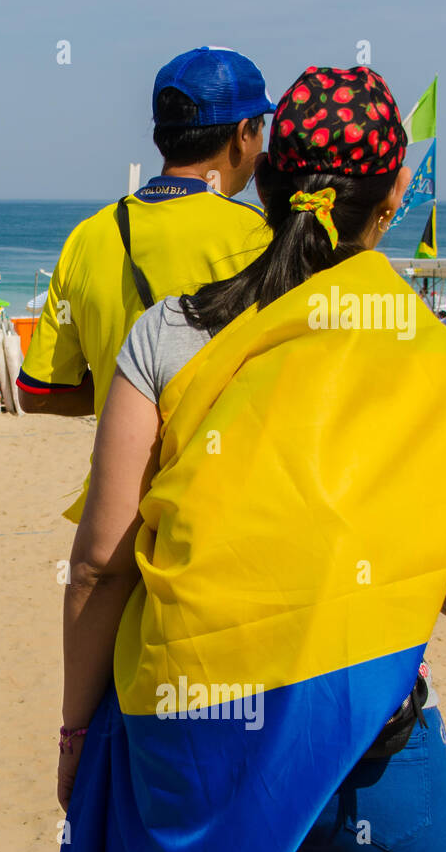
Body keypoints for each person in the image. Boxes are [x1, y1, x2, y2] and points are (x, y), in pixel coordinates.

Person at [42, 66, 446, 852]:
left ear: (263, 174)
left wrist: (71, 733)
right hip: (377, 749)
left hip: (202, 765)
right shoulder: (429, 353)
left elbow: (100, 563)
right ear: (394, 196)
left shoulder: (170, 335)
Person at [17, 46, 275, 522]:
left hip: (117, 507)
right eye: (261, 130)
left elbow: (38, 392)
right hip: (222, 503)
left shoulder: (88, 236)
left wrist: (122, 393)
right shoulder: (260, 237)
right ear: (243, 135)